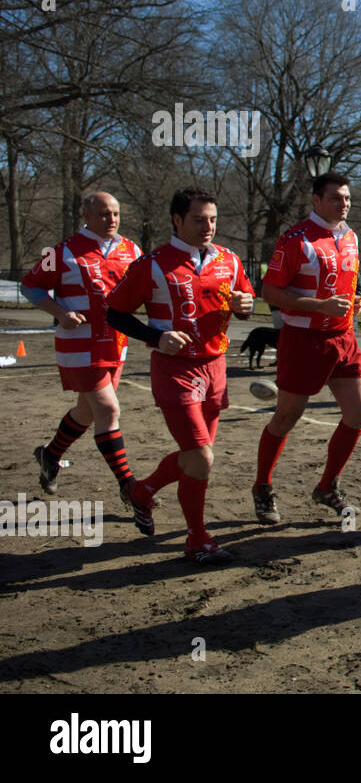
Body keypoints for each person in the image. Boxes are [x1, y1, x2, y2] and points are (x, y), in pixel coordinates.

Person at [106, 187, 255, 563]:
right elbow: (115, 313)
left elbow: (246, 305)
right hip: (174, 370)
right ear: (177, 220)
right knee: (201, 458)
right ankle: (198, 538)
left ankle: (142, 492)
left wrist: (245, 306)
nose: (208, 226)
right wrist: (156, 336)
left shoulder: (229, 260)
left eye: (213, 220)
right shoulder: (152, 263)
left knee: (196, 456)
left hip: (216, 367)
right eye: (199, 219)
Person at [21, 192, 146, 528]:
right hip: (78, 346)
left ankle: (50, 455)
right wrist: (60, 312)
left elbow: (147, 290)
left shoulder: (131, 250)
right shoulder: (60, 251)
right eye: (105, 213)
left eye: (116, 213)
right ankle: (129, 487)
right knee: (108, 410)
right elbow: (30, 286)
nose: (112, 219)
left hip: (115, 345)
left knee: (88, 411)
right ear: (86, 215)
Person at [251, 172, 361, 525]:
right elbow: (270, 292)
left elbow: (345, 286)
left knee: (358, 416)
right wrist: (319, 306)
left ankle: (327, 486)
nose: (343, 204)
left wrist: (354, 302)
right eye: (335, 198)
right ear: (316, 200)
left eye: (346, 198)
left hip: (343, 338)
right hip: (303, 340)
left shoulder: (351, 237)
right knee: (286, 417)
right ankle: (262, 487)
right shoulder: (295, 240)